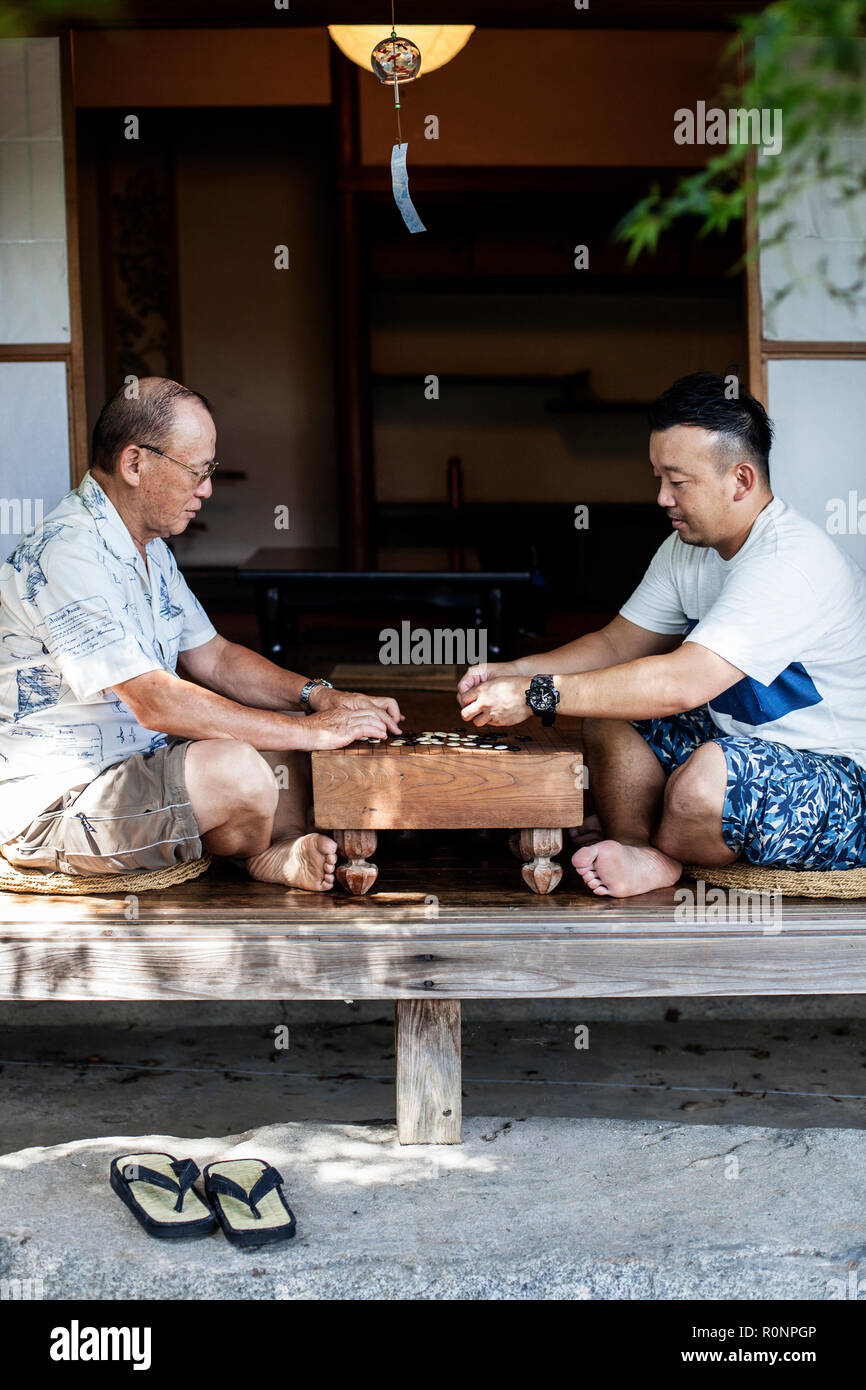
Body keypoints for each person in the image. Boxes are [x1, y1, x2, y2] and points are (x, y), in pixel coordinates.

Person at [457, 371, 866, 898]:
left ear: (740, 480)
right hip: (739, 746)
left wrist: (539, 695)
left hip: (845, 780)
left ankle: (664, 850)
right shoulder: (687, 549)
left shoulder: (790, 561)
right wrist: (516, 670)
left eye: (678, 481)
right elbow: (616, 644)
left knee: (705, 780)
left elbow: (683, 684)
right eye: (658, 478)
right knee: (614, 712)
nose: (661, 498)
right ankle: (633, 844)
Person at [0, 377, 402, 890]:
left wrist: (321, 698)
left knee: (277, 723)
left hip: (136, 769)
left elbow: (215, 658)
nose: (207, 489)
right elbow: (154, 702)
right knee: (239, 766)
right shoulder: (69, 551)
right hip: (61, 802)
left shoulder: (147, 548)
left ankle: (276, 847)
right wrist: (308, 734)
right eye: (197, 471)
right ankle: (260, 848)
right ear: (134, 463)